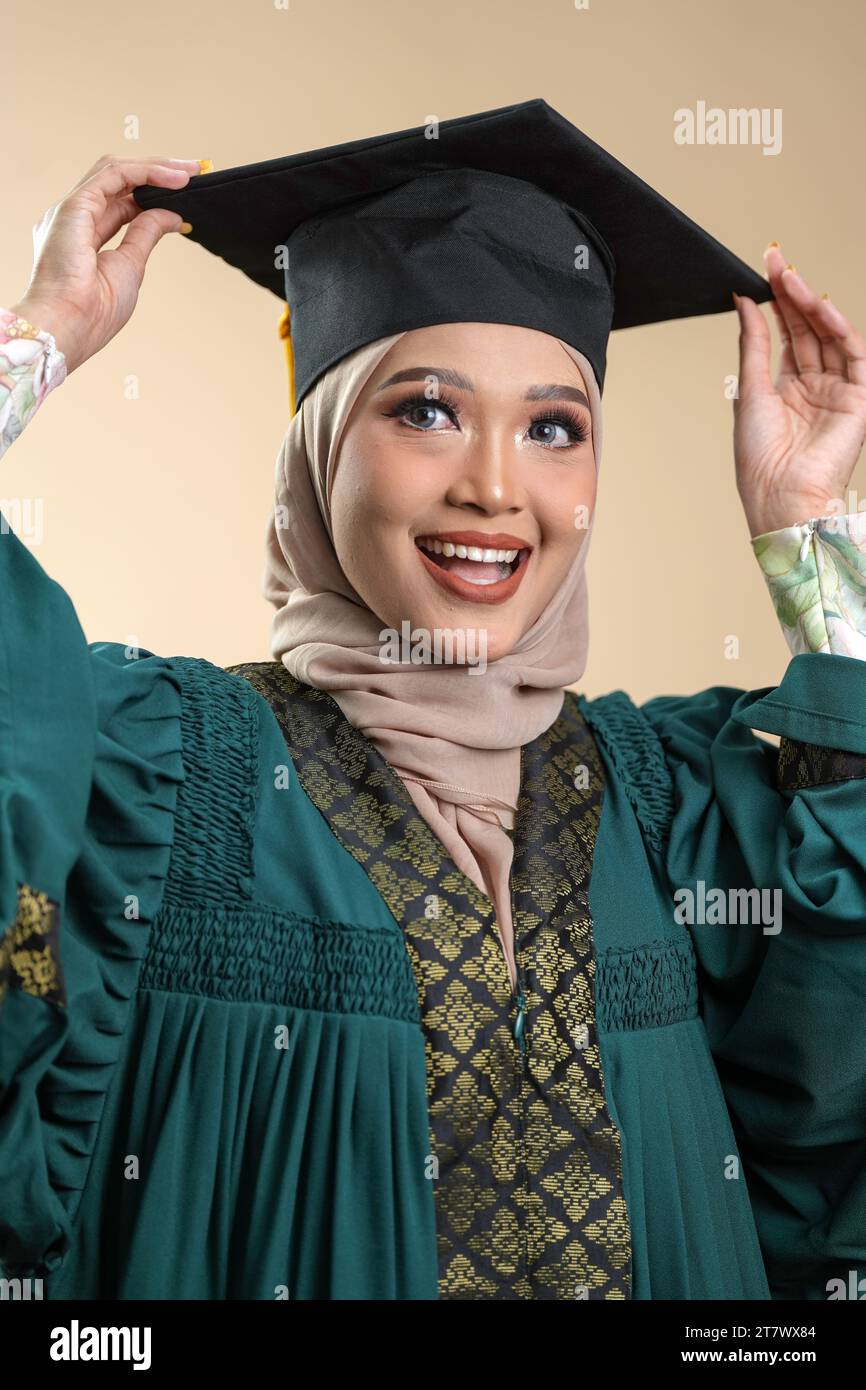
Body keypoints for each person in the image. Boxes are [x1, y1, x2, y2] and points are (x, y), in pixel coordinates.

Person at [1, 100, 865, 1302]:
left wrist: (810, 542)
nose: (495, 486)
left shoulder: (665, 810)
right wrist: (32, 341)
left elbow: (825, 1126)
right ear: (317, 444)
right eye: (423, 411)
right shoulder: (154, 784)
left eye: (554, 428)